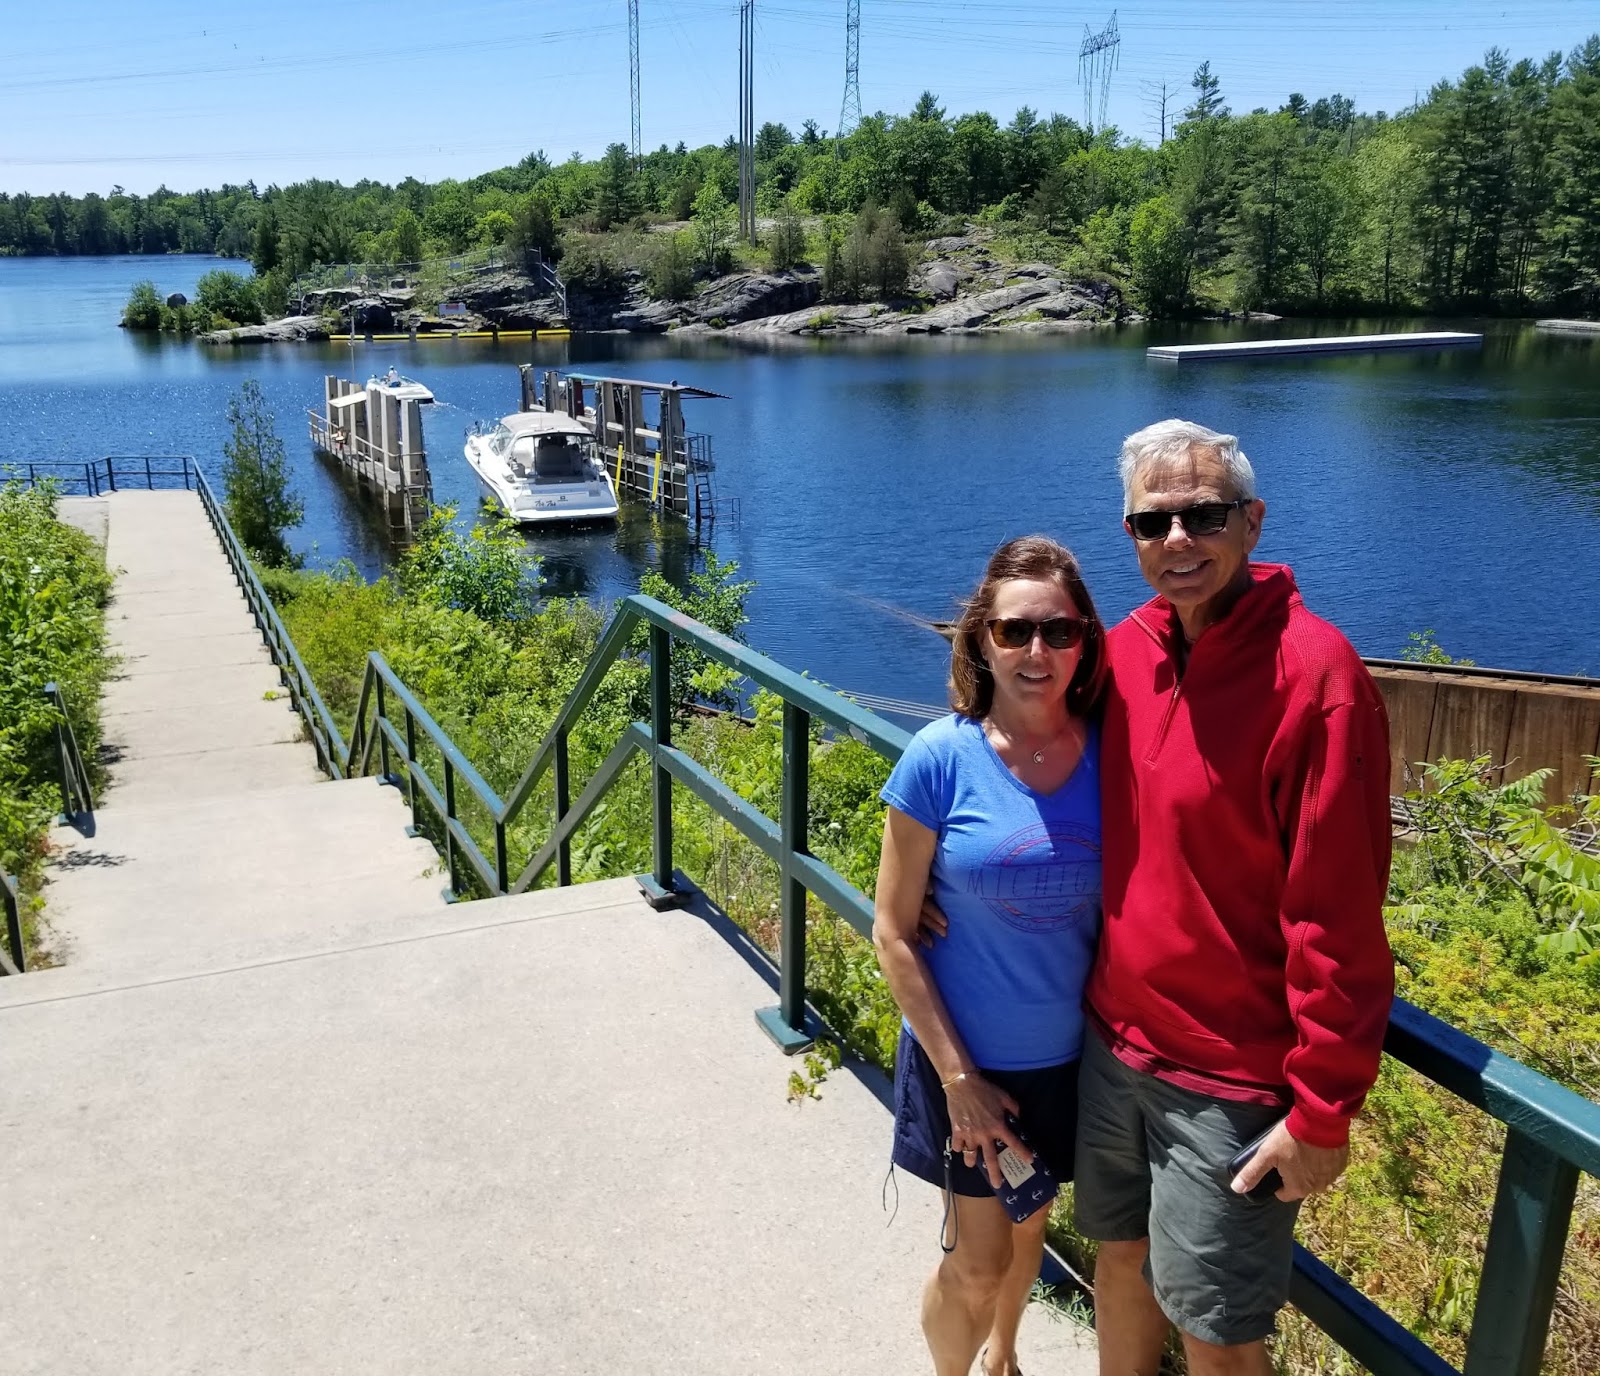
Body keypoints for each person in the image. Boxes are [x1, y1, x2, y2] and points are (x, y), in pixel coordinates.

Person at [1077, 419, 1394, 1376]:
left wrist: (1325, 1109)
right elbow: (1030, 766)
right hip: (1111, 1043)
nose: (1178, 542)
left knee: (1219, 1333)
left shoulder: (1316, 675)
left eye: (1203, 516)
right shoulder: (1123, 654)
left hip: (1229, 1081)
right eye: (1152, 523)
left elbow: (1336, 913)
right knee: (1119, 1265)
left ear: (1251, 523)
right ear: (1129, 536)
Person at [873, 535, 1110, 1376]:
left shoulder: (1115, 756)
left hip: (1073, 1062)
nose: (1036, 652)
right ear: (981, 639)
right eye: (1014, 633)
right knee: (977, 1262)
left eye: (1058, 631)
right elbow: (893, 931)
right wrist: (959, 1080)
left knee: (1030, 1228)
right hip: (966, 1064)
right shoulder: (942, 757)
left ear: (1086, 641)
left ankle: (1005, 1356)